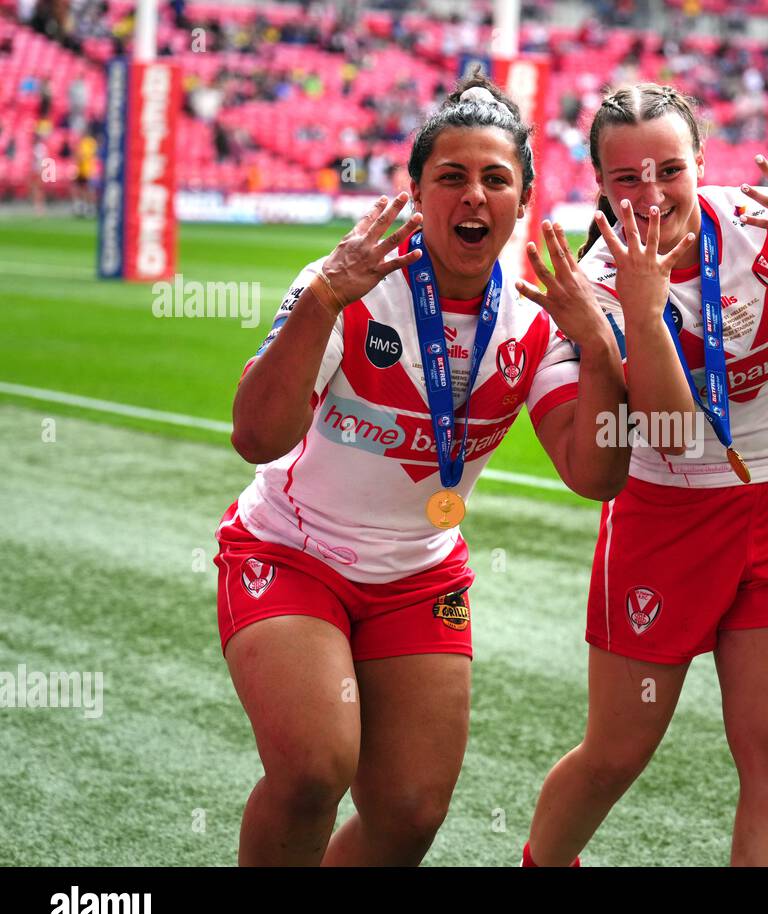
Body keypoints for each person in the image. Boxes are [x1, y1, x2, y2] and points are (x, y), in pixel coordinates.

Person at [215, 74, 630, 866]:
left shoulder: (537, 319)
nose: (473, 197)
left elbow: (595, 474)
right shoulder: (351, 285)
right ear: (416, 191)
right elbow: (255, 436)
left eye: (495, 179)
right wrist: (322, 300)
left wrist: (601, 349)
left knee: (409, 814)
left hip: (418, 576)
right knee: (313, 769)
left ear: (523, 199)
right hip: (291, 555)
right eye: (451, 177)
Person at [522, 82, 768, 867]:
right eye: (626, 178)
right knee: (616, 754)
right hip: (664, 521)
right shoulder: (595, 283)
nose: (650, 194)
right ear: (599, 185)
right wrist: (642, 311)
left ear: (702, 163)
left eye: (669, 169)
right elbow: (672, 436)